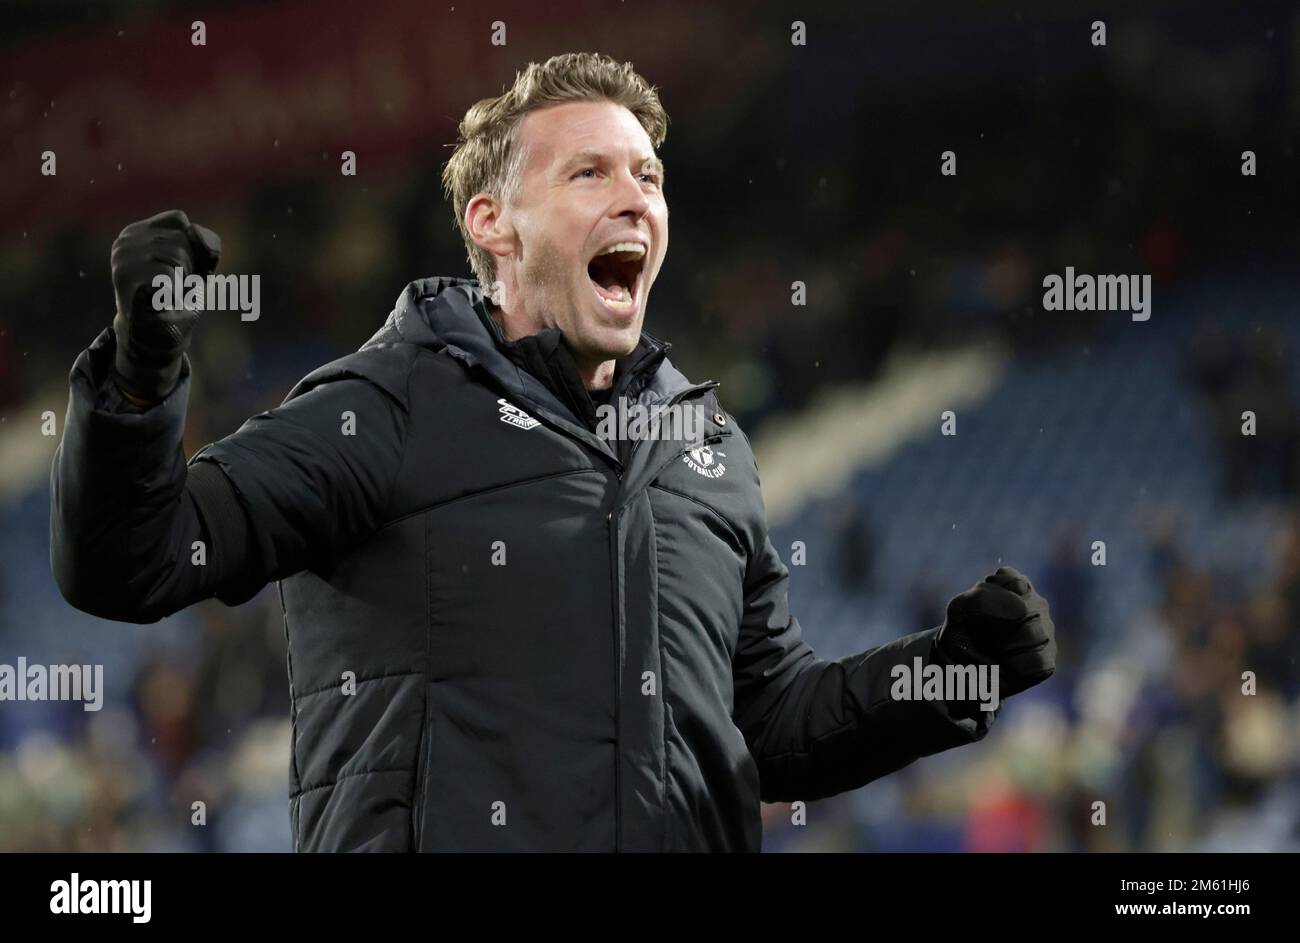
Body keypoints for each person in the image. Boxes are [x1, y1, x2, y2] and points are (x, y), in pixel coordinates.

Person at [50, 52, 1055, 852]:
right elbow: (130, 560)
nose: (635, 197)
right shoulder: (381, 406)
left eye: (648, 176)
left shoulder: (705, 447)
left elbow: (771, 724)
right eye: (590, 172)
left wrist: (948, 674)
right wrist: (139, 378)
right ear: (493, 223)